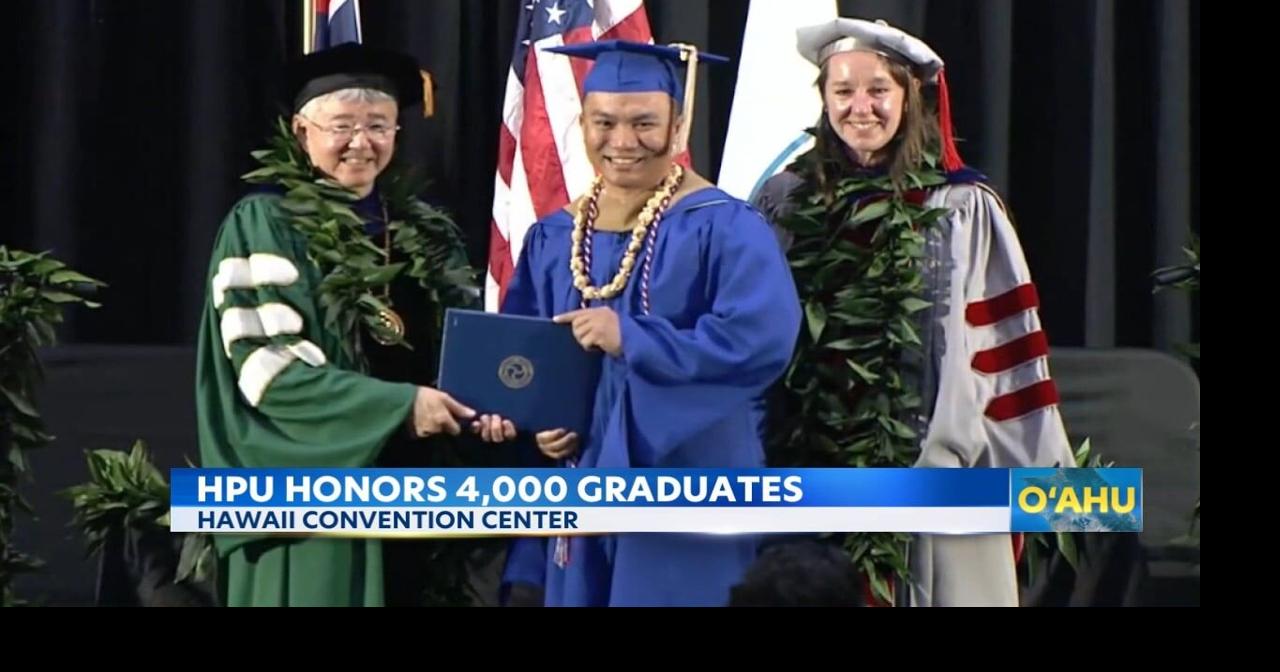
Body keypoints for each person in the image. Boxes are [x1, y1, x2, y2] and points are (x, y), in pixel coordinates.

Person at [752, 18, 1076, 607]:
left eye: (878, 89)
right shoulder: (784, 199)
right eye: (843, 90)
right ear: (824, 99)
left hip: (932, 471)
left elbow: (1005, 346)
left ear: (910, 96)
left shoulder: (960, 206)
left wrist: (1040, 482)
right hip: (805, 460)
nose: (860, 107)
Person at [476, 40, 802, 607]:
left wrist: (631, 337)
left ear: (677, 127)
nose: (622, 141)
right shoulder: (556, 236)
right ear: (583, 125)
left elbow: (759, 339)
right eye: (604, 122)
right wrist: (539, 422)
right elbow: (525, 351)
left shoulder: (726, 226)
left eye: (644, 123)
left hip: (690, 482)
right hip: (579, 486)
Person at [195, 43, 478, 607]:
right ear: (302, 132)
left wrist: (482, 410)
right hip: (310, 498)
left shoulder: (426, 232)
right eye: (342, 126)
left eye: (378, 126)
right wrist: (402, 405)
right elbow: (270, 373)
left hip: (424, 498)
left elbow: (463, 352)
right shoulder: (266, 223)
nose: (361, 142)